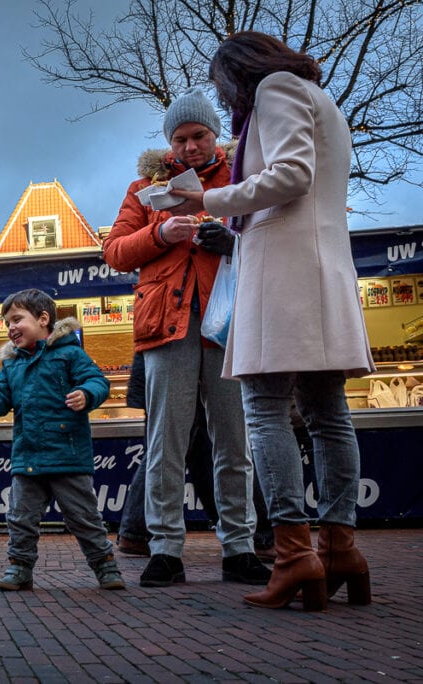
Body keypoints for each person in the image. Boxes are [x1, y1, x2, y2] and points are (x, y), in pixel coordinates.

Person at [170, 32, 375, 611]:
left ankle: (294, 554)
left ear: (239, 72)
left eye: (221, 84)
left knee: (264, 407)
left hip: (284, 272)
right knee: (327, 412)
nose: (224, 95)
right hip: (322, 266)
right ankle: (340, 549)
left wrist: (206, 202)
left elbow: (290, 175)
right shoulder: (319, 97)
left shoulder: (278, 90)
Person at [102, 88, 271, 587]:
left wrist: (233, 243)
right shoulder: (142, 189)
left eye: (199, 135)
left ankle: (239, 546)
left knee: (234, 443)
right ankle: (165, 550)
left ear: (215, 134)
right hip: (166, 326)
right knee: (165, 444)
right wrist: (161, 234)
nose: (191, 146)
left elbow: (266, 237)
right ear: (168, 144)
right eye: (181, 139)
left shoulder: (242, 178)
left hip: (225, 323)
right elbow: (114, 251)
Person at [0, 288, 124, 592]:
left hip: (68, 455)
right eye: (7, 322)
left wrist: (86, 394)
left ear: (43, 319)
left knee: (84, 517)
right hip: (28, 456)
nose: (10, 327)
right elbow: (0, 396)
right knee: (20, 517)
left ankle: (105, 566)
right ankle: (19, 568)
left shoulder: (70, 353)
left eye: (17, 319)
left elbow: (98, 381)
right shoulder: (11, 363)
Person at [116, 352, 219, 557]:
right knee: (169, 449)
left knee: (188, 451)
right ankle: (136, 531)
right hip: (173, 375)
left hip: (164, 374)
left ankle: (136, 531)